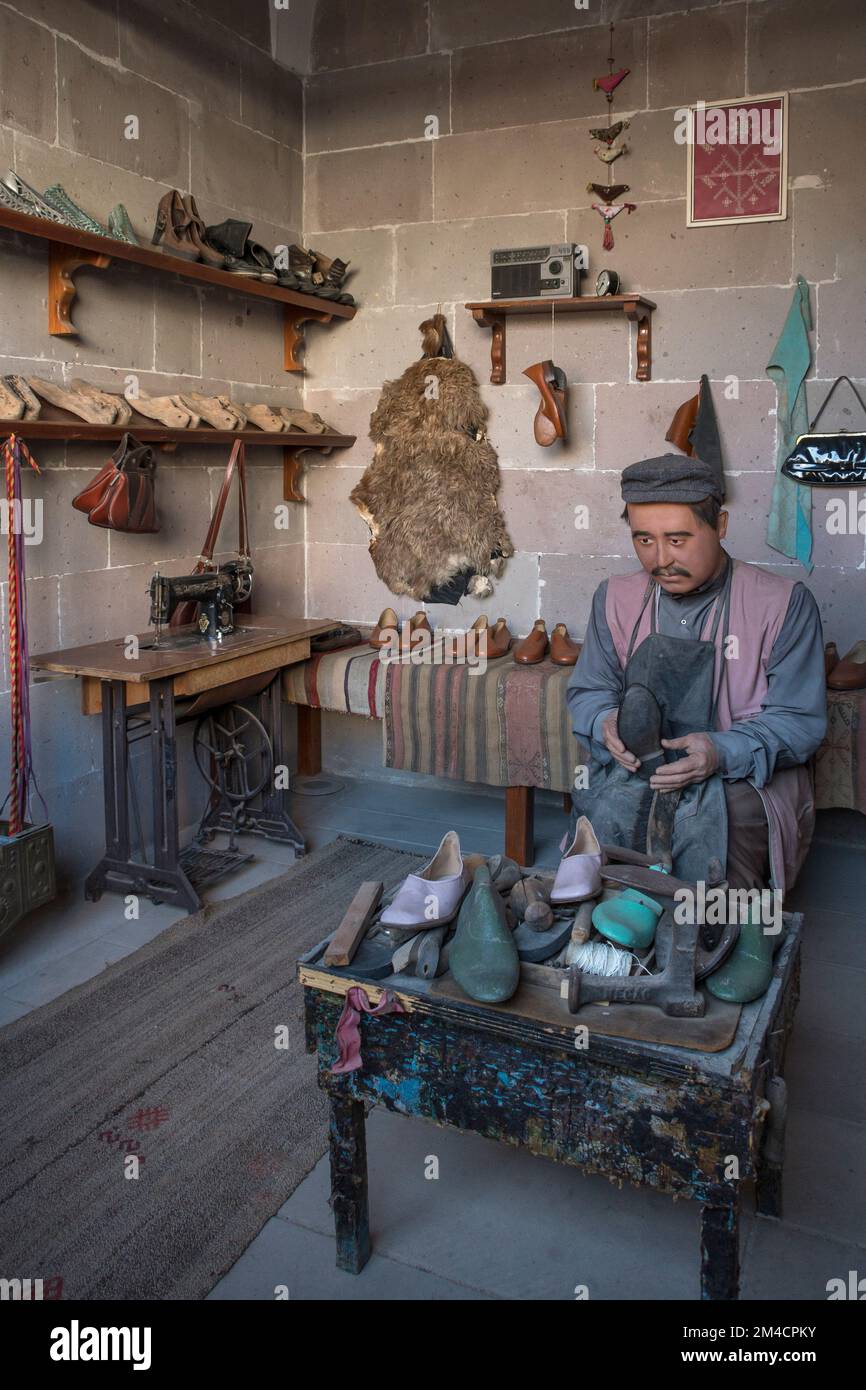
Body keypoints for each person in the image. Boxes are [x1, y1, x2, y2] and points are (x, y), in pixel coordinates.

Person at [566, 455, 827, 891]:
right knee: (607, 805)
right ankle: (608, 923)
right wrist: (603, 721)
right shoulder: (614, 597)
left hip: (736, 771)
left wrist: (719, 752)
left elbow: (798, 721)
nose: (661, 559)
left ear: (720, 525)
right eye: (644, 540)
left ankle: (717, 936)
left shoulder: (783, 604)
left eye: (678, 539)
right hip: (645, 763)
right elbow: (590, 689)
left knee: (720, 818)